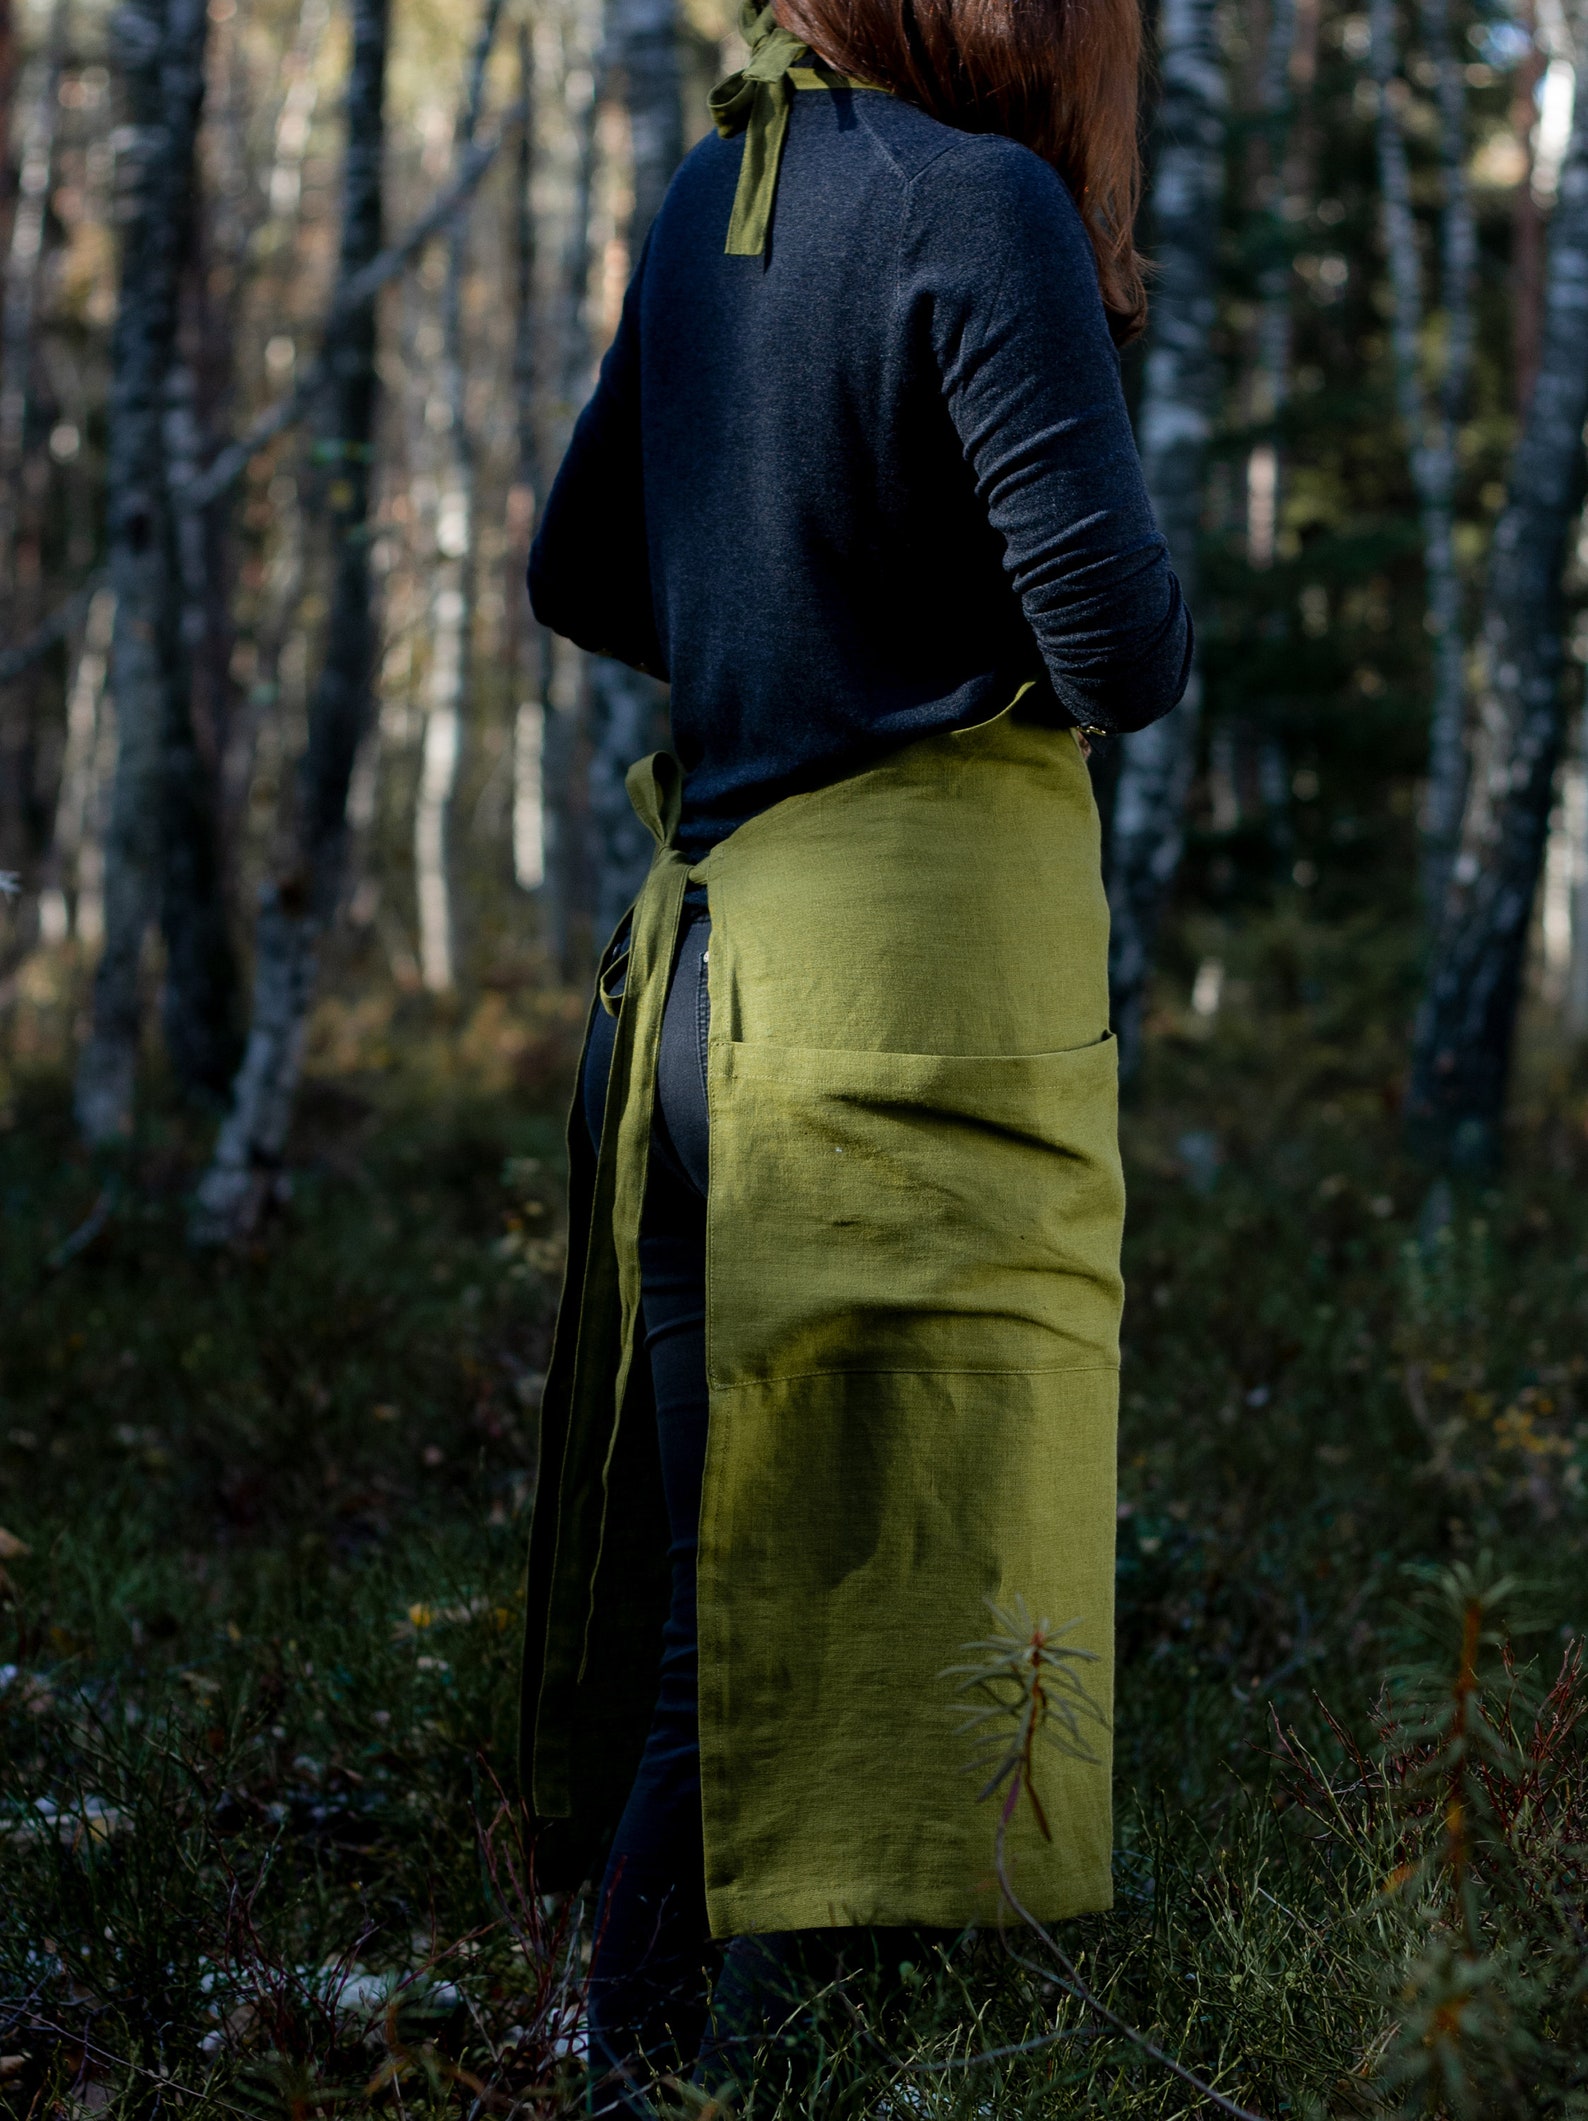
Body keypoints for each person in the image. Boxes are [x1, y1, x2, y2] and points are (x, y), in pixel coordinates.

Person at [520, 0, 1191, 2101]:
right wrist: (901, 650)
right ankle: (694, 2085)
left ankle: (652, 2067)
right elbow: (1119, 648)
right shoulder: (975, 210)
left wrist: (777, 625)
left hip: (710, 986)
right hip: (888, 1025)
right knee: (832, 1606)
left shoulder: (710, 193)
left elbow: (572, 568)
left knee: (723, 1626)